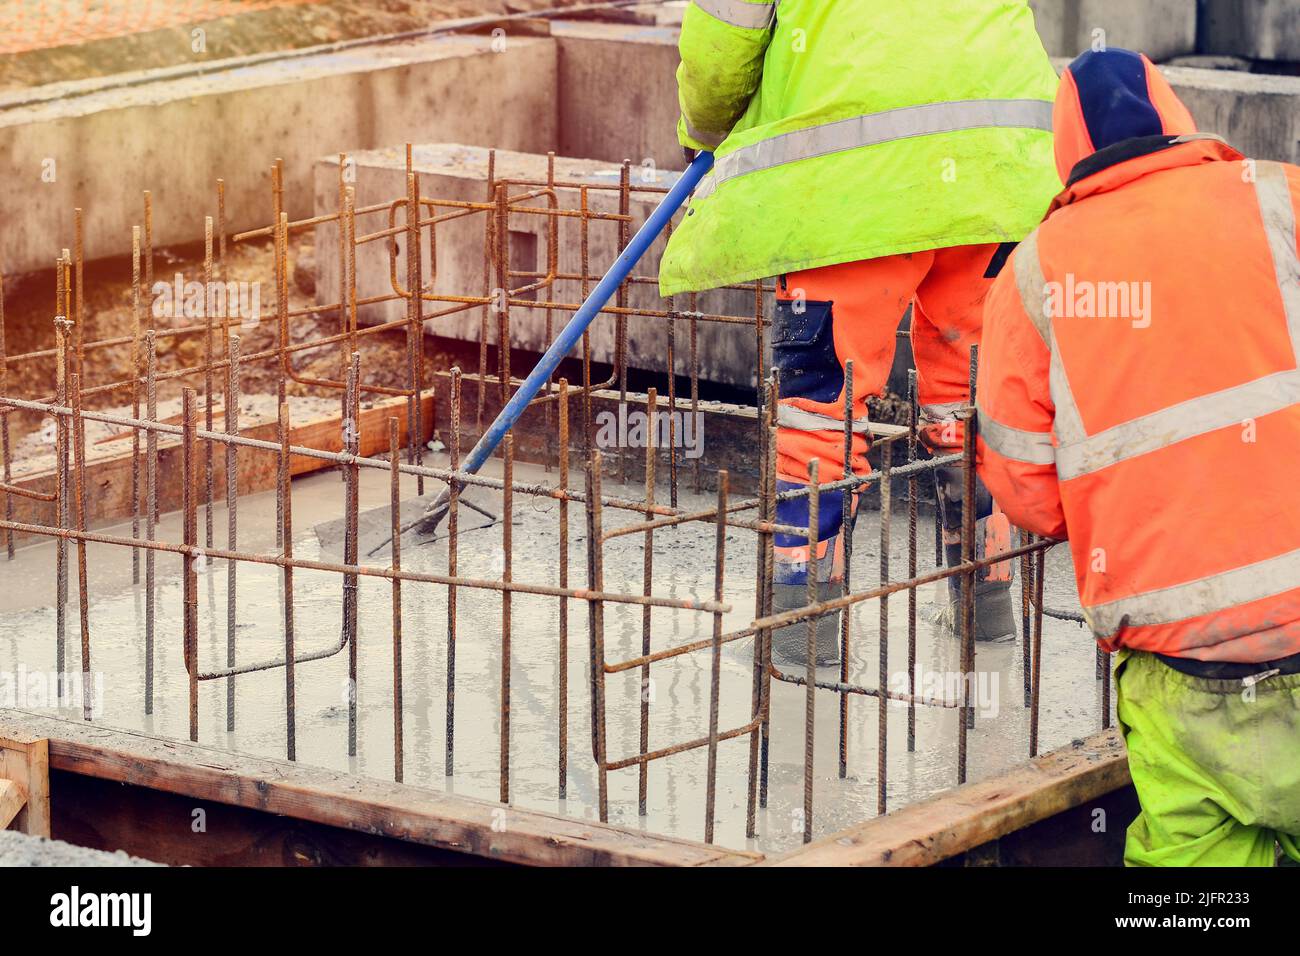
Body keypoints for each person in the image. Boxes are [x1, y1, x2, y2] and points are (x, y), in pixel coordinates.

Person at [659, 1, 1063, 664]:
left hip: (852, 184)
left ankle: (801, 628)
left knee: (820, 411)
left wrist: (701, 132)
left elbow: (722, 42)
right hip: (1003, 167)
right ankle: (986, 609)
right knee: (976, 401)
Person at [976, 47, 1300, 866]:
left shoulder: (1031, 277)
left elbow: (1023, 488)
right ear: (1178, 117)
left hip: (1183, 670)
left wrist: (1118, 502)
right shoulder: (1278, 197)